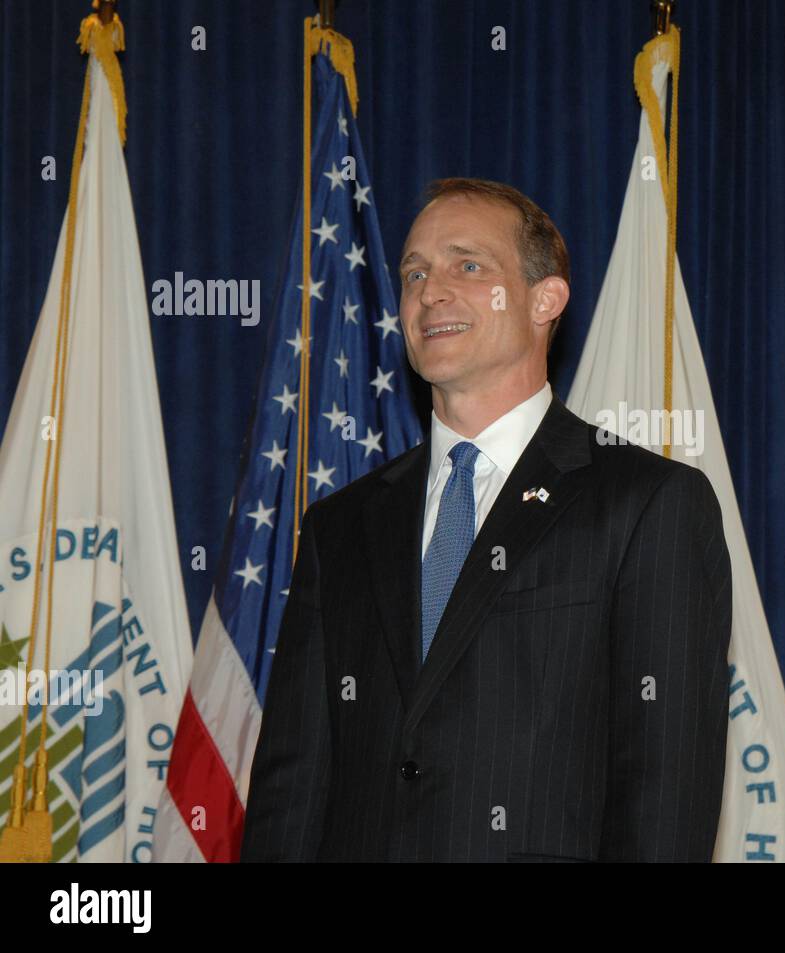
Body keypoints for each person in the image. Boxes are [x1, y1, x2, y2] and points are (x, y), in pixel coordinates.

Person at [241, 178, 732, 862]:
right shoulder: (340, 526)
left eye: (467, 265)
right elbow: (290, 793)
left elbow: (665, 795)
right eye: (415, 272)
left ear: (545, 298)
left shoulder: (647, 502)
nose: (430, 290)